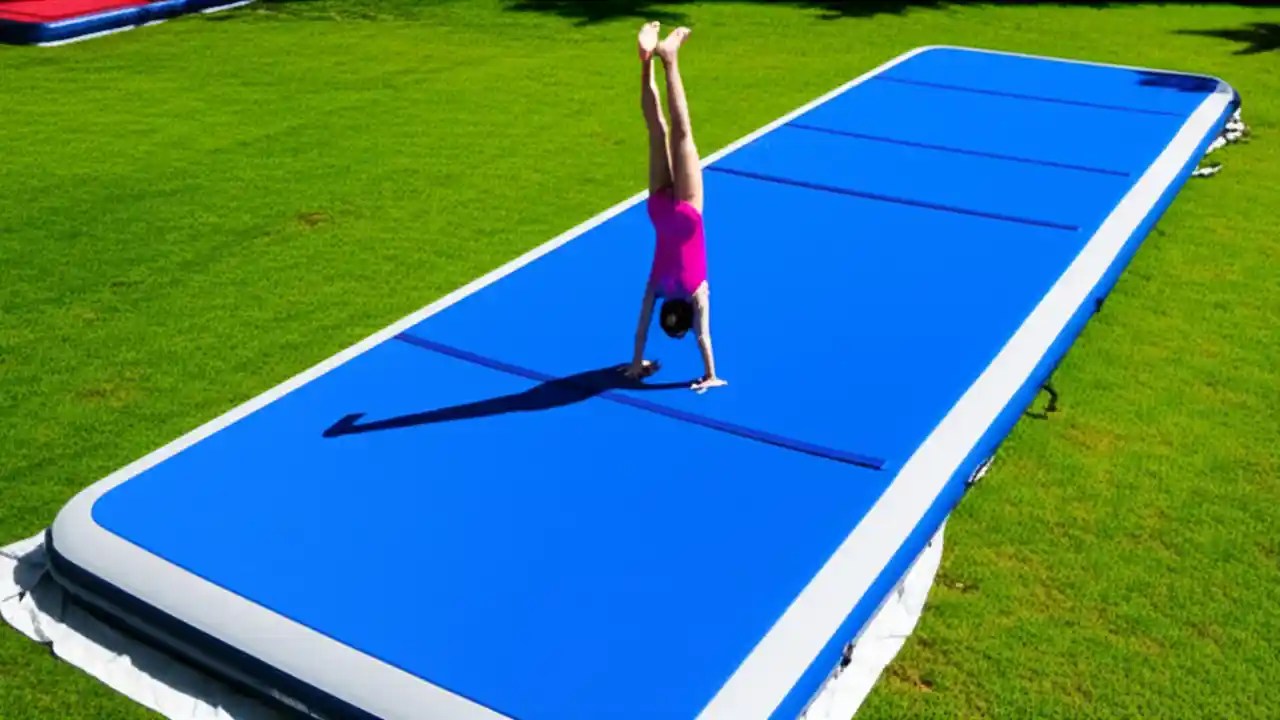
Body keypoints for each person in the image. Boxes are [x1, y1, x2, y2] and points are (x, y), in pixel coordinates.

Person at [624, 21, 727, 394]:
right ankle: (646, 61)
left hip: (686, 217)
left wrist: (711, 373)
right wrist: (636, 363)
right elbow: (640, 328)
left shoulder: (697, 290)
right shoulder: (658, 287)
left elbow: (704, 336)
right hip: (660, 215)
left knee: (682, 133)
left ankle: (670, 60)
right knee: (657, 132)